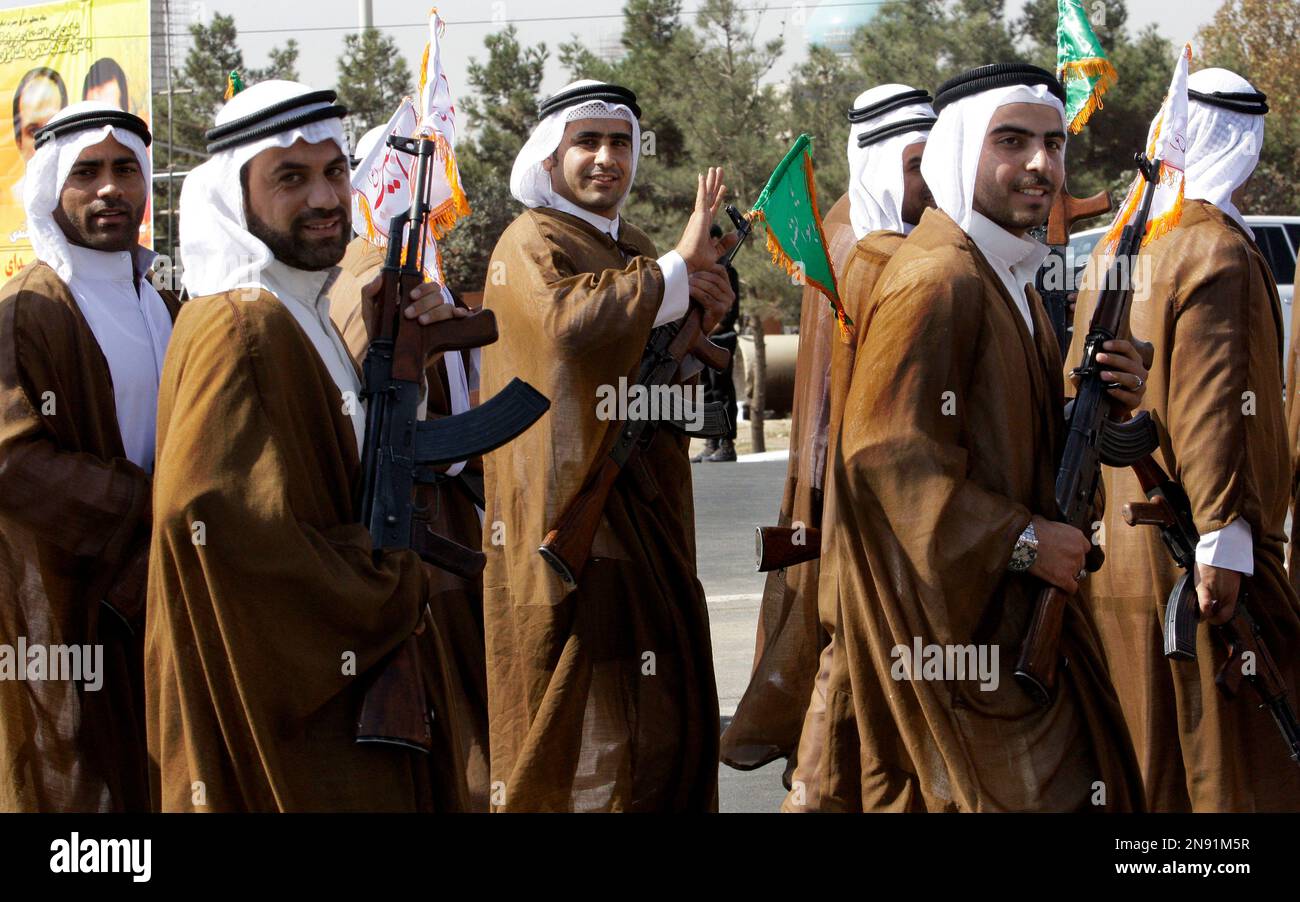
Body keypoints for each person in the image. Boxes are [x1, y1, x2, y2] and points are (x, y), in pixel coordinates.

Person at [784, 63, 1149, 812]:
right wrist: (1021, 541)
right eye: (1010, 142)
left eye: (1053, 144)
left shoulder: (1003, 274)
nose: (1041, 164)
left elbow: (1017, 441)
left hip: (1015, 627)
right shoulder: (940, 280)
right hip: (963, 646)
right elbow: (887, 460)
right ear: (957, 152)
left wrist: (1108, 407)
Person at [147, 80, 479, 812]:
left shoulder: (304, 312)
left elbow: (336, 465)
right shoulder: (241, 324)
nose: (326, 197)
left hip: (336, 686)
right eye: (290, 179)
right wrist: (383, 589)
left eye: (333, 171)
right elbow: (216, 526)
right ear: (237, 198)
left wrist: (398, 370)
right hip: (302, 714)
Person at [479, 79, 733, 811]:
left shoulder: (635, 247)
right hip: (564, 526)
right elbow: (566, 332)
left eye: (620, 143)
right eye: (586, 142)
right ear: (551, 154)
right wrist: (675, 276)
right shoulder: (531, 241)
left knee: (649, 723)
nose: (605, 159)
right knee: (571, 726)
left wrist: (696, 330)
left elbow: (656, 387)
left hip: (642, 518)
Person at [1075, 68, 1300, 811]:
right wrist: (1224, 543)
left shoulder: (1118, 246)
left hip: (1123, 560)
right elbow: (1218, 412)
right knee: (1230, 768)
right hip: (1200, 558)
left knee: (1147, 763)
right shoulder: (1217, 251)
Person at [721, 84, 936, 780]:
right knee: (849, 665)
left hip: (847, 488)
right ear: (878, 164)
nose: (931, 183)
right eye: (915, 166)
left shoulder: (864, 234)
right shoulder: (864, 248)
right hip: (856, 495)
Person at [0, 102, 175, 811]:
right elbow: (12, 461)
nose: (110, 189)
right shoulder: (29, 308)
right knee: (75, 780)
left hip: (162, 582)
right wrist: (146, 503)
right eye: (87, 172)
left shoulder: (161, 291)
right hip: (63, 593)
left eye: (125, 170)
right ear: (51, 187)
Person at [323, 123, 491, 809]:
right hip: (407, 512)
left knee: (469, 694)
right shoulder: (363, 279)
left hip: (445, 511)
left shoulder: (423, 281)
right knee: (445, 706)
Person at [691, 222, 741, 463]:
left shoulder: (727, 271)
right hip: (702, 341)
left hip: (720, 339)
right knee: (707, 392)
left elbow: (729, 313)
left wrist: (706, 332)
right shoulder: (701, 270)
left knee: (723, 392)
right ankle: (711, 441)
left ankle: (727, 444)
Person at [10, 67, 68, 203]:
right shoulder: (12, 202)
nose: (45, 141)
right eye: (34, 132)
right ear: (19, 142)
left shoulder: (82, 193)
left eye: (54, 128)